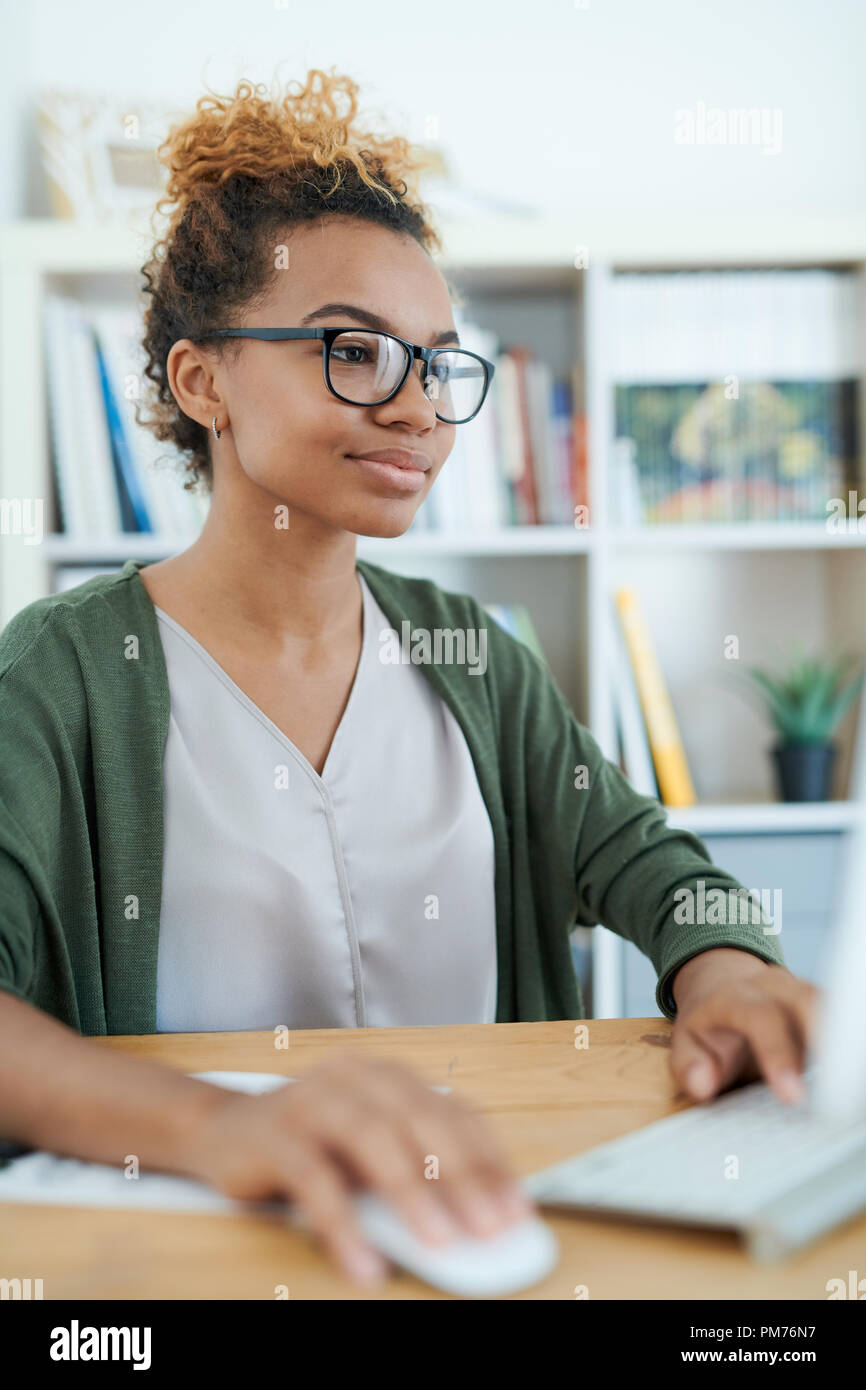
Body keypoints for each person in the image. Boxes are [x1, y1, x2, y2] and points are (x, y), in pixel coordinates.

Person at [0, 69, 816, 1285]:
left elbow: (651, 864)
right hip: (189, 1251)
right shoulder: (61, 673)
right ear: (200, 381)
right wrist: (224, 1130)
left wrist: (728, 971)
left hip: (474, 1229)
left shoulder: (474, 654)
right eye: (353, 350)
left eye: (436, 363)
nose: (417, 408)